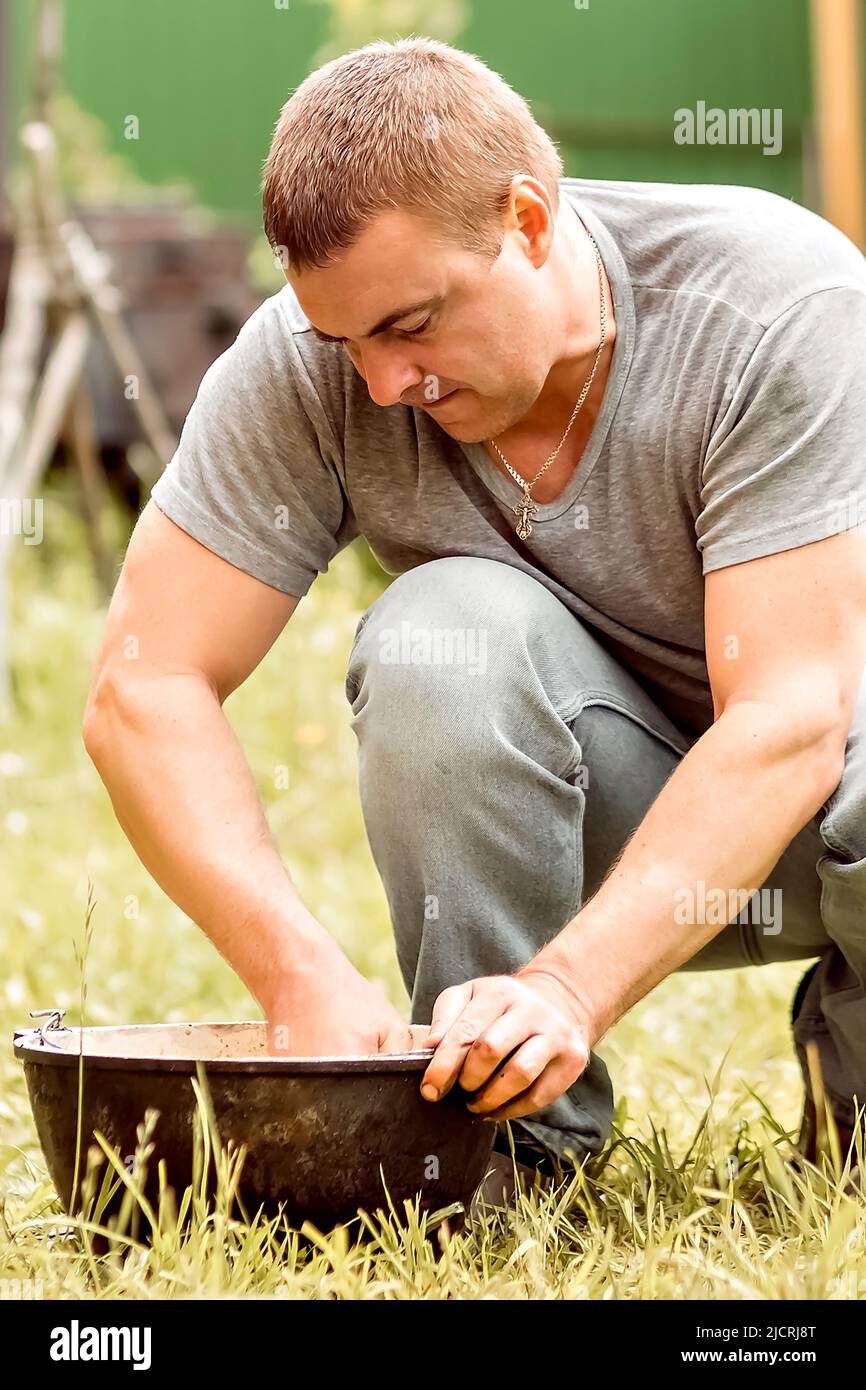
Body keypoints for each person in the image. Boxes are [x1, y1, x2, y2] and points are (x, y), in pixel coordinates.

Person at [83, 37, 866, 1184]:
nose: (381, 384)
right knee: (436, 636)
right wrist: (296, 972)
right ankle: (503, 1145)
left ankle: (844, 1106)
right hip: (611, 804)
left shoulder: (772, 305)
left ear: (528, 220)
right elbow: (139, 687)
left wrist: (568, 988)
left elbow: (791, 719)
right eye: (343, 339)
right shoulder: (318, 365)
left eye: (409, 325)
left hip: (823, 800)